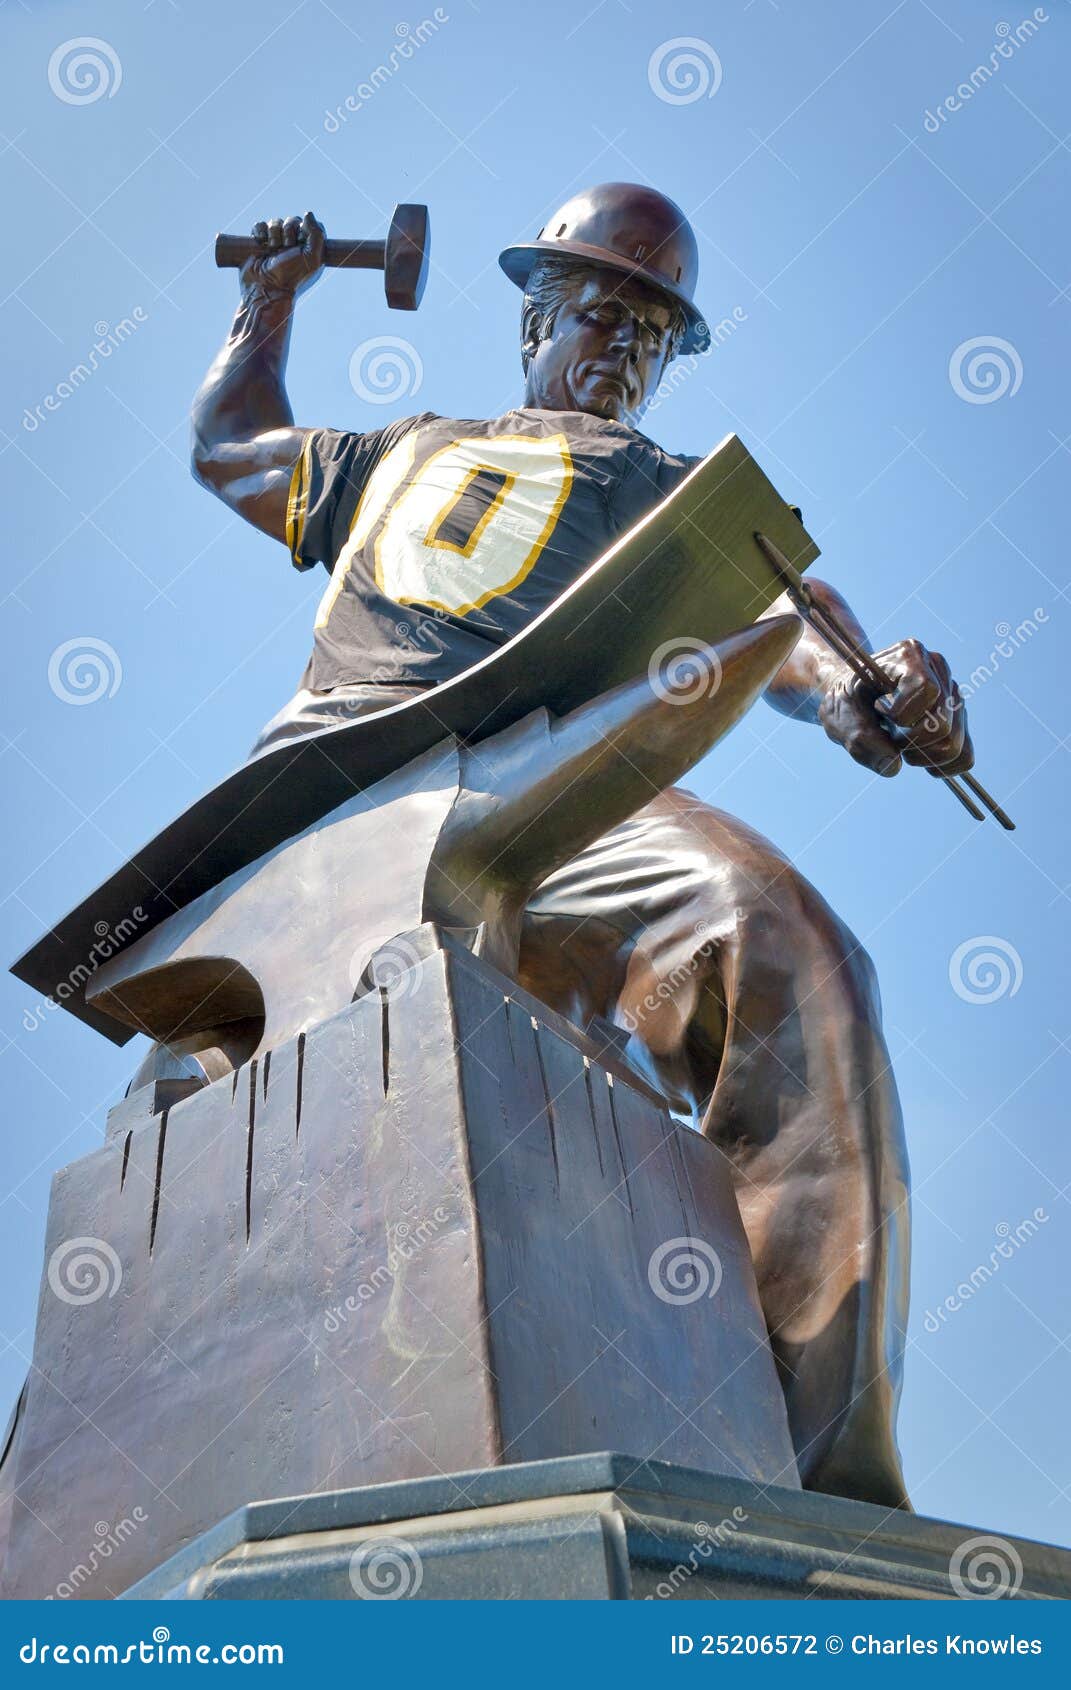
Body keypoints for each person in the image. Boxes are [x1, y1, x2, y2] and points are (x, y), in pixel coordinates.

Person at [191, 183, 975, 1511]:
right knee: (198, 1119)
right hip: (329, 807)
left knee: (778, 935)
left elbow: (793, 624)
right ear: (532, 324)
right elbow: (232, 448)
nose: (623, 345)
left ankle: (828, 1498)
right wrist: (264, 309)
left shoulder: (669, 496)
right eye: (601, 311)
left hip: (537, 801)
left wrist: (867, 689)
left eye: (654, 333)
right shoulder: (398, 453)